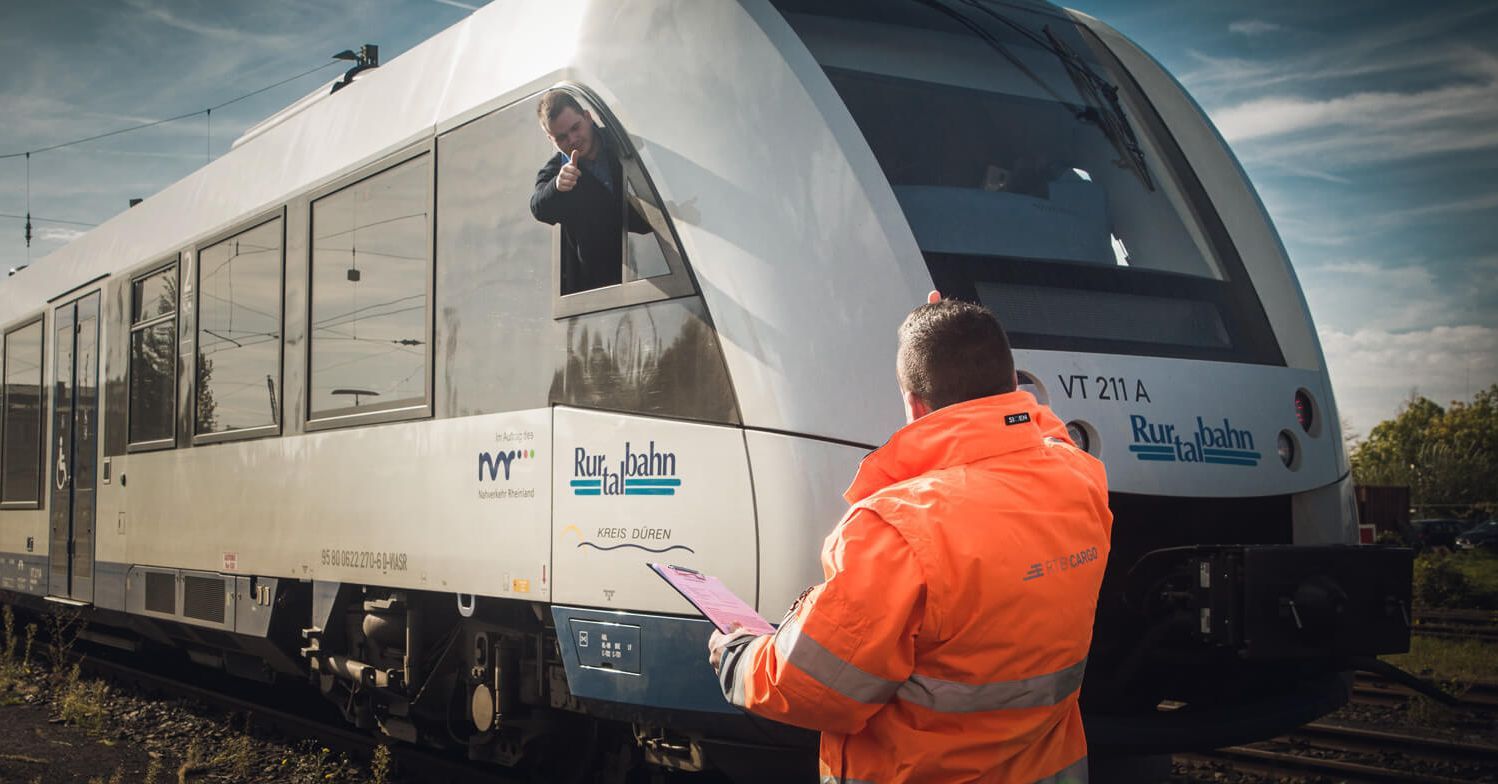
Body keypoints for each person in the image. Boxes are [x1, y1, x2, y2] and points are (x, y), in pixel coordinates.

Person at [709, 293, 1112, 784]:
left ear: (914, 405)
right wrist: (960, 337)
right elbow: (1041, 434)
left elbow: (817, 687)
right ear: (1011, 386)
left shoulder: (894, 530)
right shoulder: (1079, 479)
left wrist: (740, 655)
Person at [530, 89, 650, 294]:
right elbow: (538, 206)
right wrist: (557, 187)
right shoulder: (556, 172)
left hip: (654, 266)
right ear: (552, 140)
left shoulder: (623, 143)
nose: (573, 139)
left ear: (588, 117)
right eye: (562, 137)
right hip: (598, 295)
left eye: (575, 128)